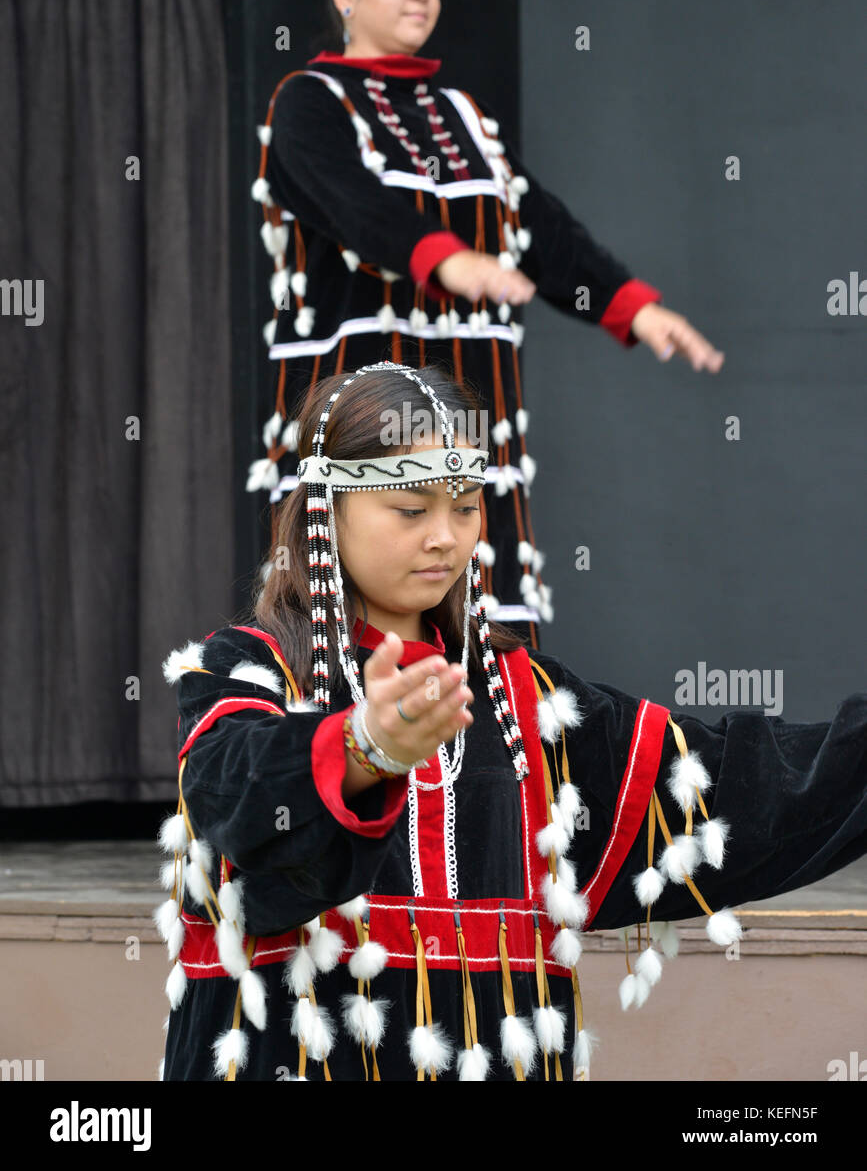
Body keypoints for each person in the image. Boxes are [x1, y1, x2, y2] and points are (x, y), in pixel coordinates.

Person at [159, 362, 866, 1082]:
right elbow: (237, 800)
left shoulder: (523, 695)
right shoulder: (248, 671)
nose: (445, 537)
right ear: (324, 509)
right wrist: (363, 749)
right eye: (411, 509)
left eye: (464, 506)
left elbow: (743, 789)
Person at [247, 0, 726, 649]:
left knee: (471, 572)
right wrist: (443, 257)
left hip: (468, 393)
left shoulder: (463, 115)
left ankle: (487, 750)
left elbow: (540, 228)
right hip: (362, 390)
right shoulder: (307, 101)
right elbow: (352, 203)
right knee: (372, 567)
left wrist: (633, 307)